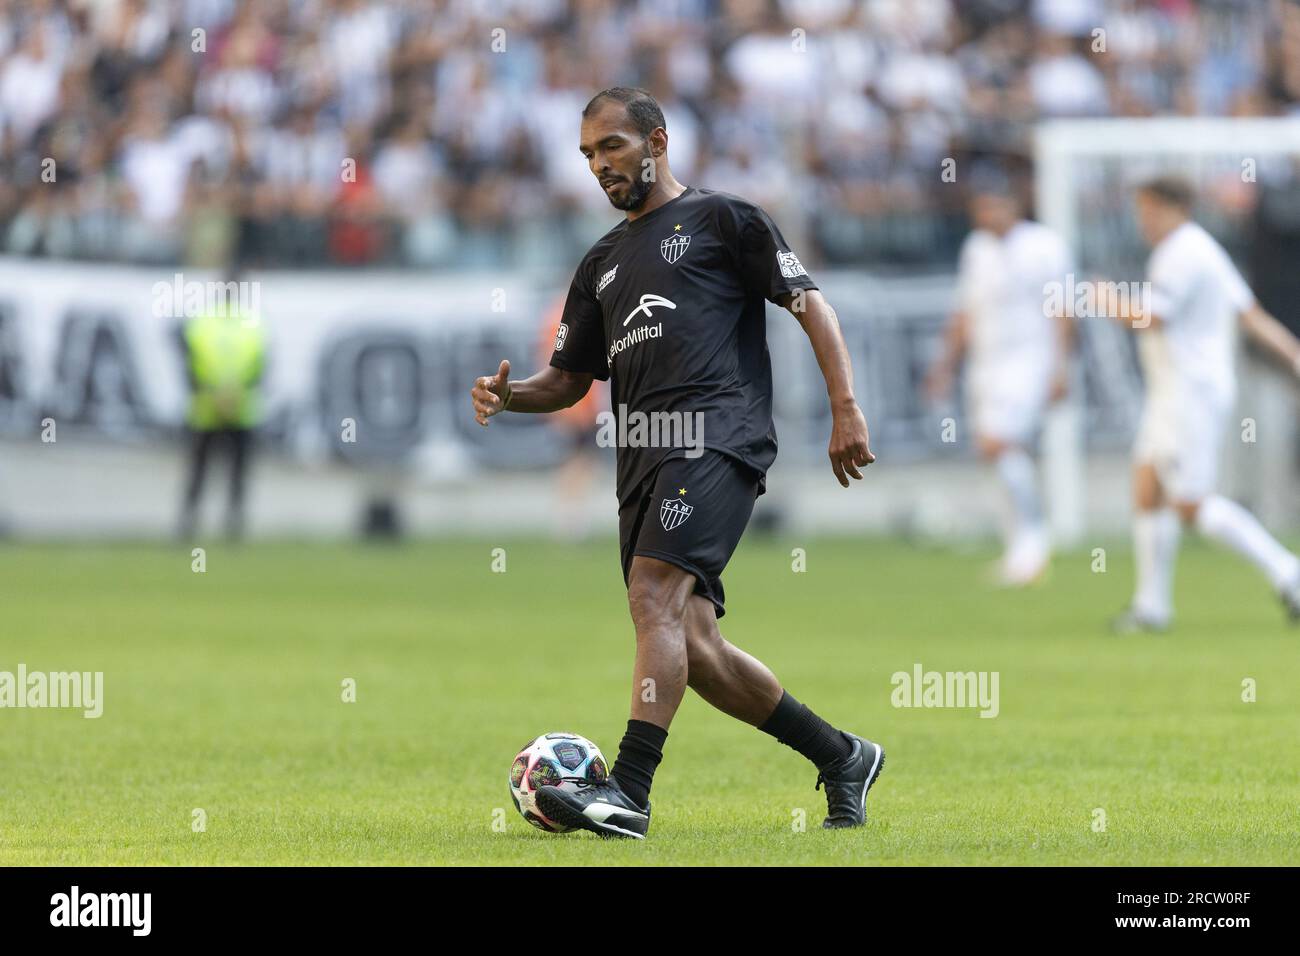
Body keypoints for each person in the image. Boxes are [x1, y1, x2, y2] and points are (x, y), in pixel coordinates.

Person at [470, 88, 883, 838]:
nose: (601, 165)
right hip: (642, 458)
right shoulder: (600, 262)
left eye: (614, 146)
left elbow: (808, 303)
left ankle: (629, 789)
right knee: (695, 644)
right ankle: (843, 755)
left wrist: (845, 407)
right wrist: (510, 396)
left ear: (656, 140)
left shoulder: (726, 220)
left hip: (718, 435)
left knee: (651, 597)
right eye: (590, 155)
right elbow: (567, 382)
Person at [1111, 175, 1300, 631]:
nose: (1143, 222)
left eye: (1147, 211)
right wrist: (1294, 354)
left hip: (1189, 391)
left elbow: (1151, 316)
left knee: (1192, 504)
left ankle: (1290, 573)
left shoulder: (1183, 253)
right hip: (1173, 390)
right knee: (1148, 487)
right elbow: (1249, 313)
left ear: (1168, 207)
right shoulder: (1203, 249)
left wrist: (1105, 301)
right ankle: (1151, 606)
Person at [926, 176, 1073, 585]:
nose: (988, 215)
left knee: (998, 442)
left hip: (1030, 360)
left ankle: (1035, 538)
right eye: (982, 207)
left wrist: (1061, 367)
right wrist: (944, 365)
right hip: (985, 364)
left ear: (1016, 204)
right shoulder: (976, 249)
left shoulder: (1045, 245)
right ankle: (1018, 549)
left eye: (996, 206)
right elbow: (964, 311)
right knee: (991, 452)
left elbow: (1063, 309)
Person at [177, 269, 267, 540]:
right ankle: (231, 526)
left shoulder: (203, 323)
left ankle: (191, 524)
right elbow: (261, 367)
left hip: (208, 407)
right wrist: (234, 392)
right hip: (239, 408)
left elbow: (189, 363)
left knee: (201, 470)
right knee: (233, 471)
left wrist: (213, 392)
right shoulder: (253, 324)